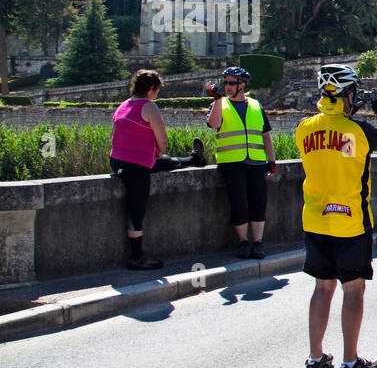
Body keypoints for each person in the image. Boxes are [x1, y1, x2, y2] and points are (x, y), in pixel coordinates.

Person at [296, 64, 377, 368]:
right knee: (353, 289)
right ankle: (350, 362)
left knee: (322, 286)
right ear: (350, 95)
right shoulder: (359, 130)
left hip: (315, 219)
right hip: (350, 221)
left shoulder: (304, 128)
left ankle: (315, 358)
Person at [109, 69, 206, 270]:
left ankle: (193, 159)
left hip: (118, 162)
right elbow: (162, 140)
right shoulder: (149, 107)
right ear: (151, 88)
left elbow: (114, 136)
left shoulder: (122, 105)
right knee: (137, 209)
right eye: (157, 90)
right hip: (136, 166)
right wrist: (158, 151)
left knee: (162, 164)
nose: (157, 94)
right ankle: (137, 258)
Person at [205, 65, 275, 259]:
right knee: (238, 204)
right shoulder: (219, 103)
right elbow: (214, 124)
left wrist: (271, 160)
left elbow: (265, 135)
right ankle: (243, 242)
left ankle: (258, 242)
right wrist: (217, 99)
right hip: (231, 163)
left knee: (258, 203)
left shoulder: (255, 105)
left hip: (256, 161)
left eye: (231, 83)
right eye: (226, 82)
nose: (227, 86)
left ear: (242, 85)